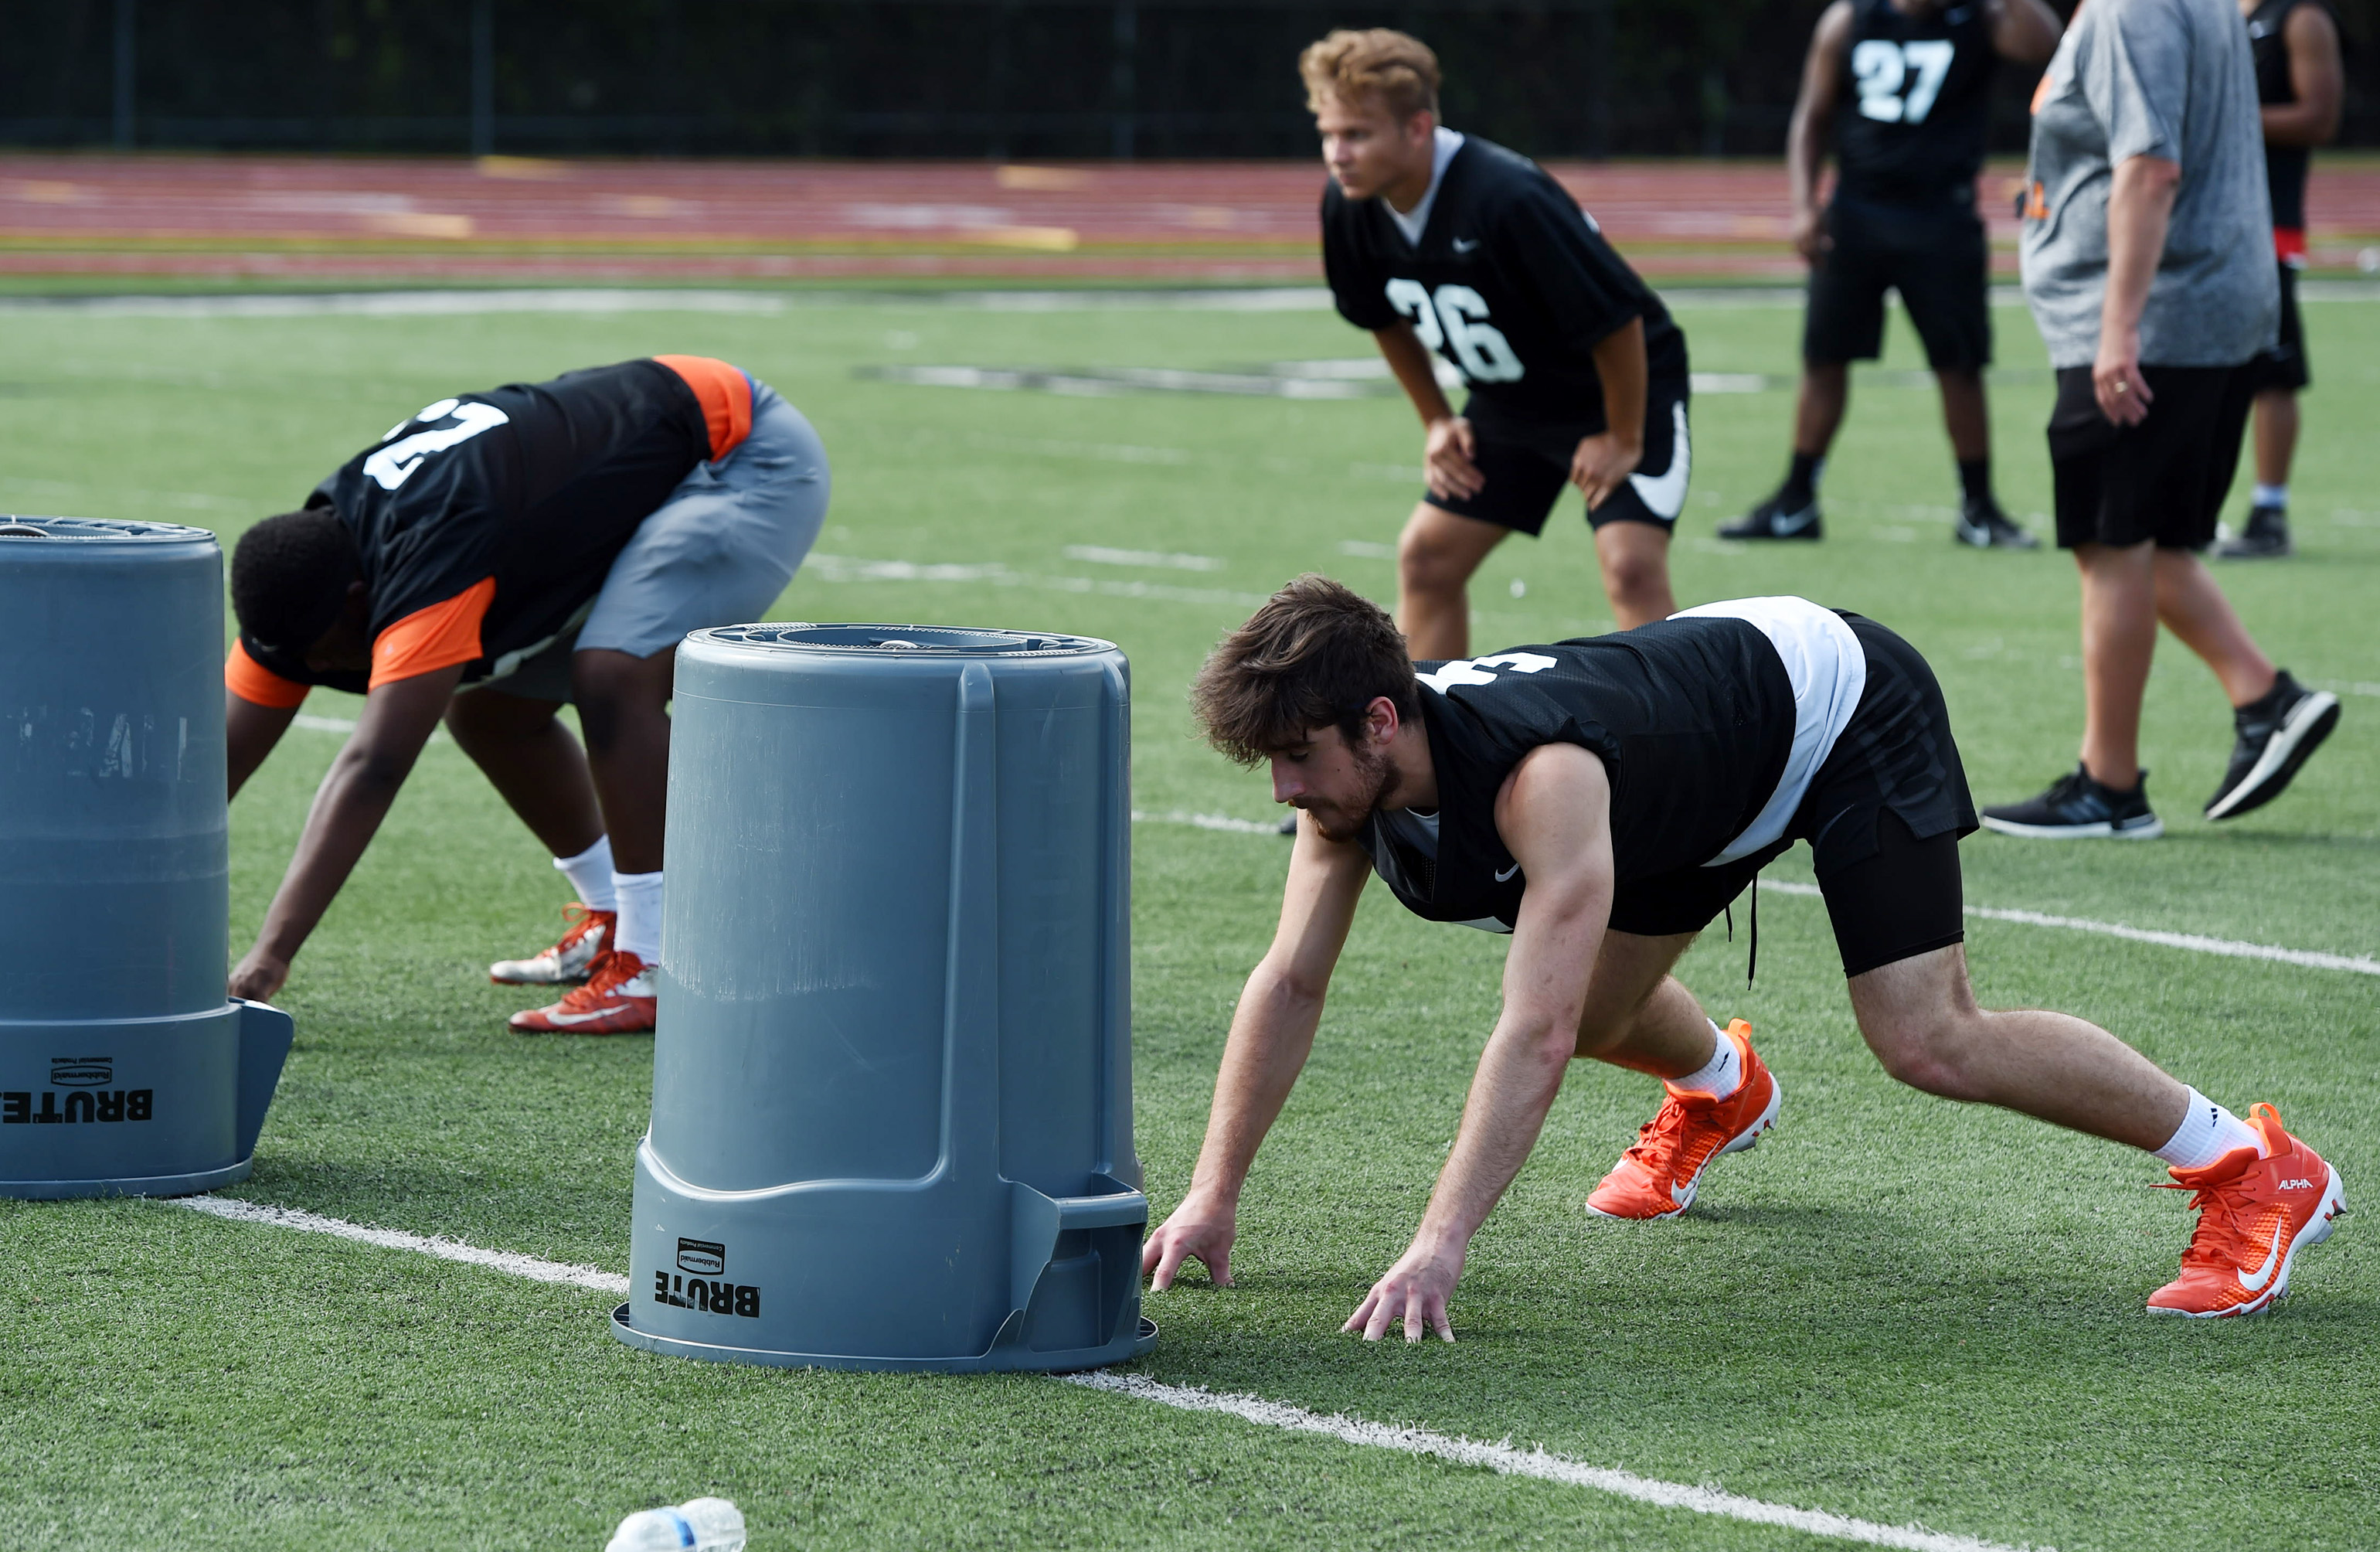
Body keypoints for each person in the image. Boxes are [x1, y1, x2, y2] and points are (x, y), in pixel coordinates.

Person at [1141, 575, 2345, 1335]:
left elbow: (1534, 1031)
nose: (1289, 789)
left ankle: (2251, 1165)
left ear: (1383, 720)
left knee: (1925, 1037)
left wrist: (1438, 1246)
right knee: (1616, 1011)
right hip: (1692, 768)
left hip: (1835, 707)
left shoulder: (1539, 780)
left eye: (1300, 754)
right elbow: (1289, 980)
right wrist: (1213, 1193)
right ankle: (1722, 1087)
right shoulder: (1349, 791)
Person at [223, 356, 829, 1033]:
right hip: (652, 448)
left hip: (737, 451)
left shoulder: (430, 553)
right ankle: (612, 917)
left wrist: (269, 959)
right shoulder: (308, 573)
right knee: (491, 711)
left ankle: (656, 961)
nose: (321, 668)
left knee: (612, 678)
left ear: (359, 600)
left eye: (324, 652)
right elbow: (214, 766)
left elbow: (375, 766)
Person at [1984, 0, 2338, 839]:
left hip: (2160, 312)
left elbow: (2149, 167)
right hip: (2209, 297)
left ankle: (2107, 785)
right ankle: (2264, 699)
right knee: (2150, 539)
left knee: (2110, 538)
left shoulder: (2129, 8)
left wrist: (2116, 328)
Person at [1308, 29, 1692, 648]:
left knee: (1630, 566)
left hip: (1618, 390)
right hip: (1512, 399)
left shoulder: (1506, 197)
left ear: (1417, 129)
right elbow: (1380, 316)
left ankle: (1686, 738)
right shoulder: (1349, 205)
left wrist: (1622, 436)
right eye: (1328, 134)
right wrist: (1436, 419)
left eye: (1356, 134)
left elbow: (1620, 320)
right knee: (1427, 558)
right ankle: (1431, 740)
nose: (1337, 153)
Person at [1725, 0, 2062, 548]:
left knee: (1960, 365)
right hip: (1857, 212)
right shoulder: (1850, 20)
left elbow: (2048, 44)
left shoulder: (1980, 17)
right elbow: (1811, 117)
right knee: (1824, 358)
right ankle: (1796, 500)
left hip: (1942, 217)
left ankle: (1978, 508)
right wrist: (1804, 206)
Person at [2215, 0, 2343, 560]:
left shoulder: (2301, 16)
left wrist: (2222, 116)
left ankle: (2270, 509)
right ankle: (2196, 508)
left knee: (2273, 371)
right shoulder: (2216, 15)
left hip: (2268, 222)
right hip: (2205, 225)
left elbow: (2320, 115)